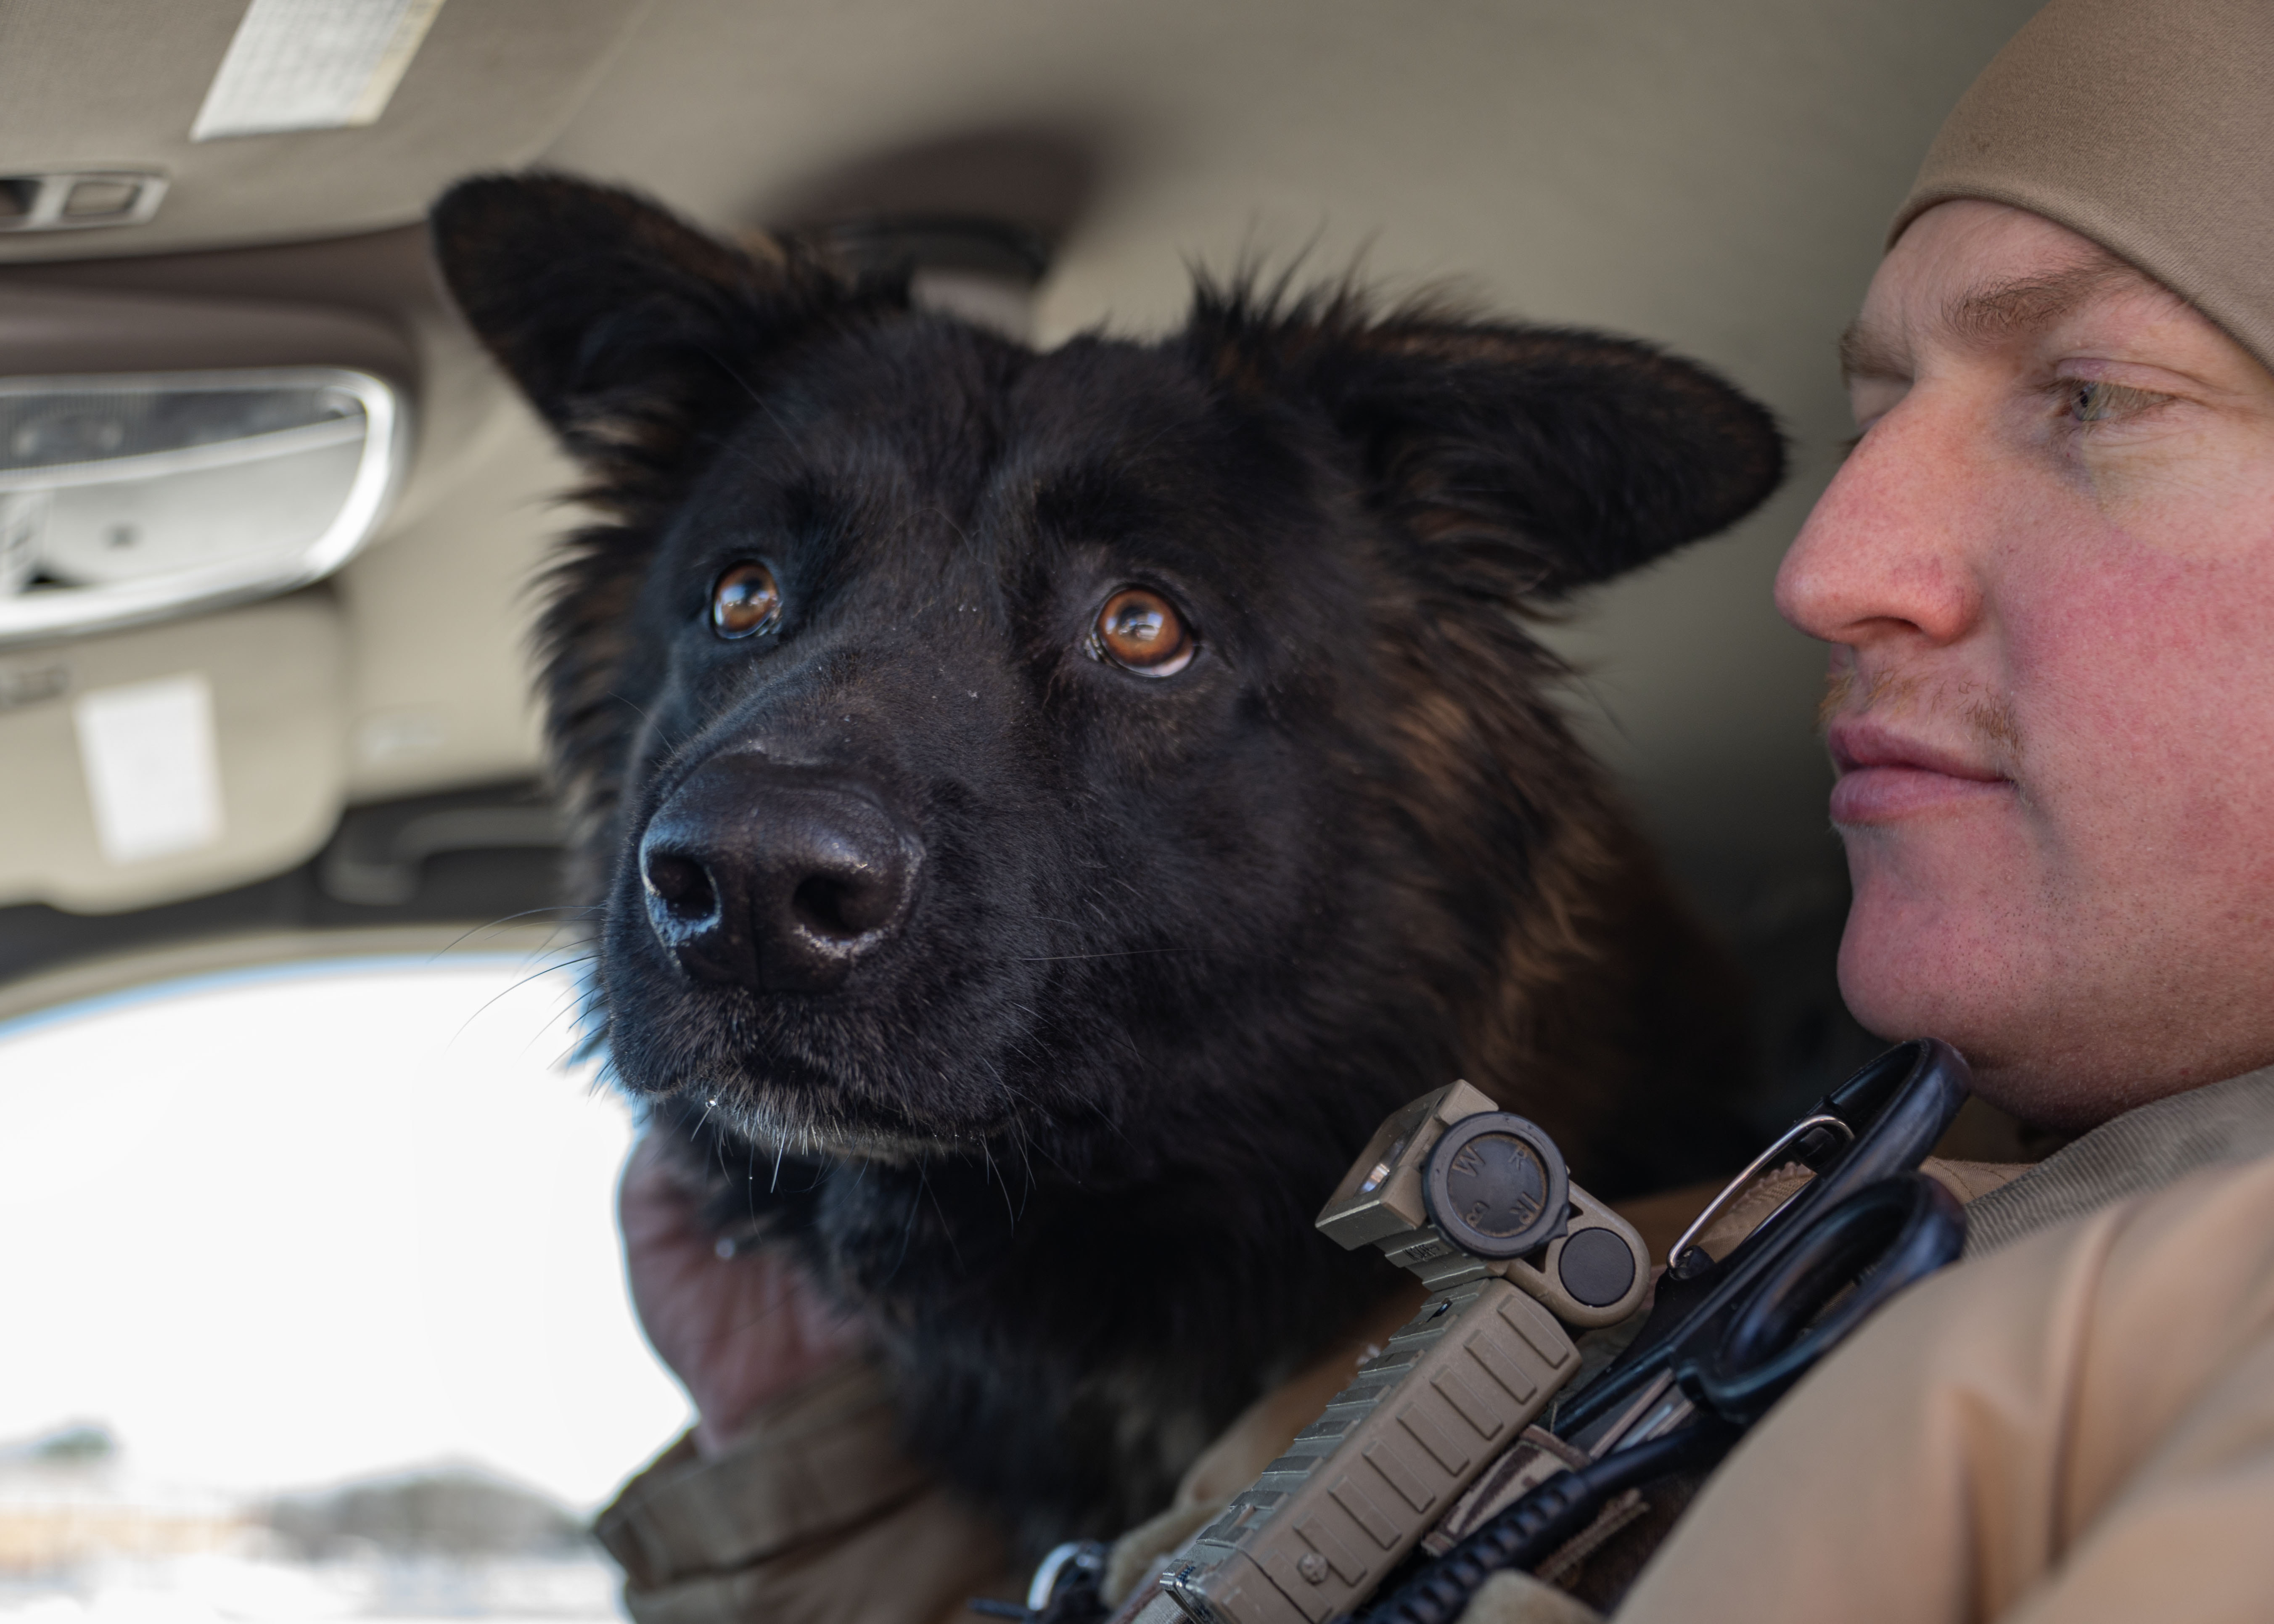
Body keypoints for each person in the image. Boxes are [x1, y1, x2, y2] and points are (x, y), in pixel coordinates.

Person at [592, 1, 2274, 1619]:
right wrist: (803, 1434)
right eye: (746, 597)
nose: (1824, 567)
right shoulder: (1707, 1261)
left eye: (2088, 396)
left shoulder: (2172, 1338)